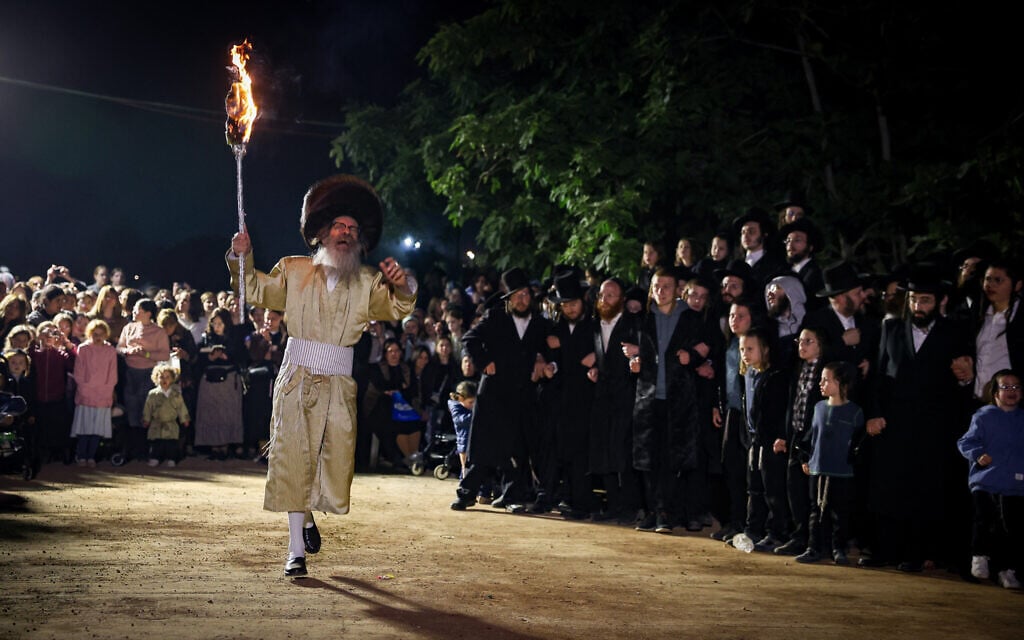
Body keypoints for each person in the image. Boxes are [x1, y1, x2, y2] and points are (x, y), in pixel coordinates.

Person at [228, 174, 416, 578]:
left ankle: (308, 515)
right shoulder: (293, 270)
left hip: (339, 385)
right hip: (297, 377)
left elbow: (399, 309)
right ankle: (296, 549)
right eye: (338, 226)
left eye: (352, 228)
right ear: (322, 232)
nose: (345, 233)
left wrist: (403, 286)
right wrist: (241, 256)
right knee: (294, 458)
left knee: (329, 464)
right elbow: (254, 291)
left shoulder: (368, 281)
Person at [450, 267, 553, 512]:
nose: (523, 299)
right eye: (517, 295)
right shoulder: (496, 317)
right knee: (482, 444)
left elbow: (547, 349)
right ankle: (467, 493)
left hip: (522, 393)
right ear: (509, 298)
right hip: (493, 393)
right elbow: (470, 340)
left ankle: (512, 495)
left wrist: (542, 359)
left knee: (516, 446)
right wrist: (484, 361)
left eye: (526, 294)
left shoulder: (539, 323)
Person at [957, 369, 1024, 589]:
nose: (1011, 391)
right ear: (995, 392)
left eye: (1016, 387)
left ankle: (1007, 570)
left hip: (1015, 484)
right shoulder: (983, 415)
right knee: (984, 518)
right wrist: (978, 455)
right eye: (1005, 387)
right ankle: (980, 555)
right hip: (985, 481)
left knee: (1011, 527)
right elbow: (966, 442)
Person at [795, 361, 864, 565]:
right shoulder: (818, 408)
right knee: (816, 510)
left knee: (839, 512)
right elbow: (810, 437)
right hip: (818, 469)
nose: (821, 383)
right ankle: (814, 547)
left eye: (826, 379)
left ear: (841, 383)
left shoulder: (855, 412)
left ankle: (838, 548)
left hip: (842, 471)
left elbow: (858, 443)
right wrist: (805, 458)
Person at [117, 298, 170, 462]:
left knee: (147, 411)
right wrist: (129, 351)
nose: (133, 312)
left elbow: (165, 355)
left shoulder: (159, 332)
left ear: (148, 313)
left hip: (149, 374)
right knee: (132, 408)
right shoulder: (128, 327)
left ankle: (147, 449)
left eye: (137, 310)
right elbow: (119, 348)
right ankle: (134, 449)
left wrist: (146, 354)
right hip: (130, 373)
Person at [194, 307, 247, 461]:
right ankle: (213, 446)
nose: (217, 326)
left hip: (228, 380)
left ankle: (225, 446)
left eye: (220, 323)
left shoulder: (234, 339)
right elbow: (198, 360)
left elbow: (241, 357)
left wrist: (226, 356)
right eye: (214, 323)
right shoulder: (205, 339)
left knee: (226, 413)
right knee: (210, 413)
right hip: (209, 380)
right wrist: (209, 358)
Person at [70, 319, 117, 467]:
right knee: (84, 428)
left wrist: (106, 391)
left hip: (103, 396)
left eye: (101, 334)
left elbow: (112, 375)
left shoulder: (110, 351)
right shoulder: (83, 349)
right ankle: (81, 455)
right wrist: (85, 390)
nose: (98, 337)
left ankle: (91, 456)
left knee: (97, 429)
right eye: (95, 334)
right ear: (89, 334)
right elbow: (78, 372)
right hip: (85, 395)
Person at [143, 364, 190, 467]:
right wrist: (146, 419)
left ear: (172, 379)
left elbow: (181, 407)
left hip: (171, 424)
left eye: (167, 377)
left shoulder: (176, 394)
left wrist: (184, 419)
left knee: (171, 443)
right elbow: (148, 408)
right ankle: (155, 458)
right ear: (156, 378)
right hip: (157, 423)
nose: (164, 380)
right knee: (157, 442)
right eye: (161, 377)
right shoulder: (152, 394)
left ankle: (172, 459)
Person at [448, 380, 478, 477]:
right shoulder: (455, 407)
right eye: (471, 402)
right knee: (466, 468)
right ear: (460, 399)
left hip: (474, 440)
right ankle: (464, 486)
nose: (473, 405)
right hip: (464, 443)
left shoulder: (467, 407)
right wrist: (477, 414)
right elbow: (462, 420)